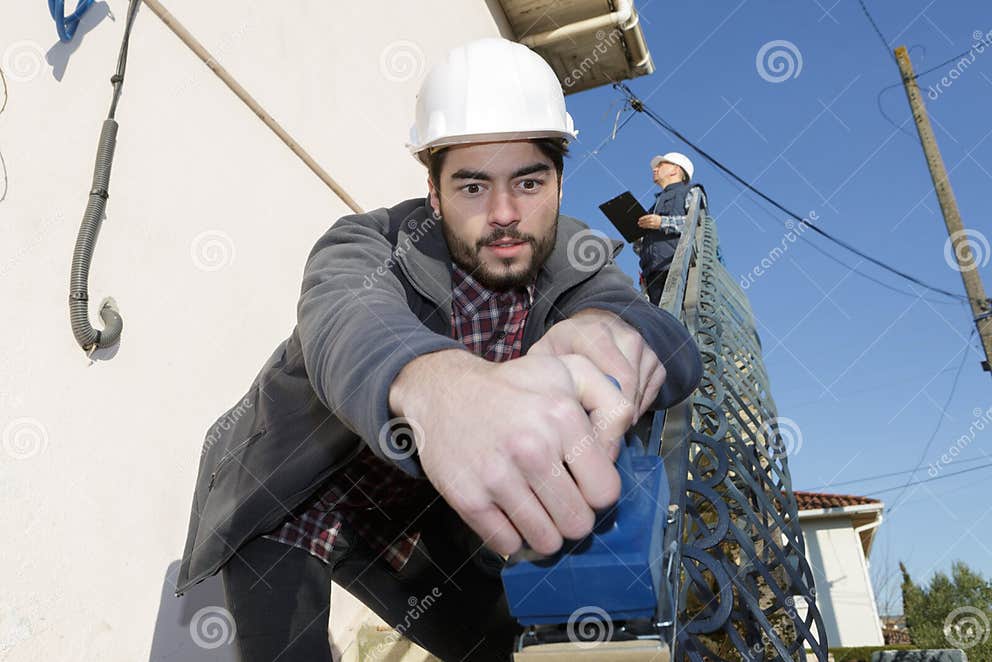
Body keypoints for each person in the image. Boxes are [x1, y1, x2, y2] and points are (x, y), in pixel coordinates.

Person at [174, 38, 702, 662]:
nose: (504, 214)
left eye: (528, 182)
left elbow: (671, 342)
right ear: (433, 190)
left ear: (560, 184)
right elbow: (344, 315)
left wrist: (621, 334)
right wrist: (437, 383)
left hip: (417, 517)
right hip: (297, 500)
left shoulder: (579, 256)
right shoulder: (366, 241)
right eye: (473, 187)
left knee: (500, 649)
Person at [636, 152, 695, 306]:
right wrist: (638, 239)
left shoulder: (691, 192)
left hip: (677, 269)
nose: (655, 169)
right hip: (652, 274)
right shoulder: (653, 207)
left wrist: (662, 222)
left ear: (675, 169)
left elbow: (696, 225)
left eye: (660, 165)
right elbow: (645, 247)